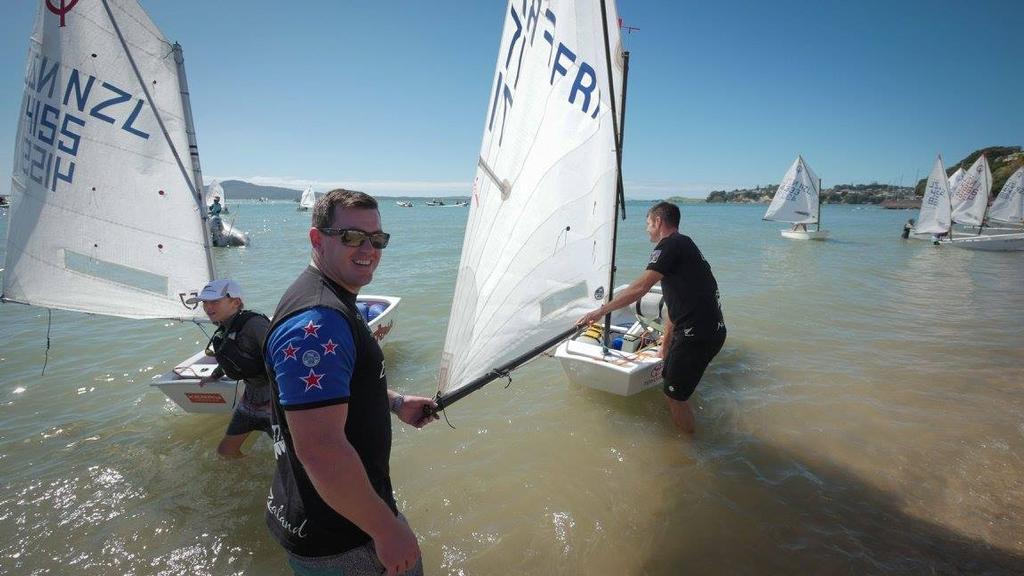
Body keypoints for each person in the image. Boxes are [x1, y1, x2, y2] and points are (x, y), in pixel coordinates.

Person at [263, 188, 438, 576]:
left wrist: (393, 402)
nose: (368, 248)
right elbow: (321, 449)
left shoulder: (328, 298)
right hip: (343, 537)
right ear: (317, 239)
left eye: (377, 239)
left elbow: (332, 390)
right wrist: (386, 530)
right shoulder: (318, 322)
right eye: (352, 237)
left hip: (325, 514)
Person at [577, 201, 726, 434]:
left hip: (697, 336)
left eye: (648, 223)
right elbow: (674, 306)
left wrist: (599, 311)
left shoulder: (668, 245)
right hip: (711, 331)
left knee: (674, 397)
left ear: (658, 222)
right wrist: (665, 346)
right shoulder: (685, 245)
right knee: (675, 387)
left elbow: (640, 289)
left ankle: (688, 450)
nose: (647, 229)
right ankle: (683, 419)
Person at [193, 279, 272, 457]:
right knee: (226, 451)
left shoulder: (254, 325)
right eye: (205, 302)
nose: (207, 307)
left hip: (274, 401)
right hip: (250, 399)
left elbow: (282, 357)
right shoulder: (224, 327)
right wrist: (215, 375)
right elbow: (230, 355)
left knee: (293, 456)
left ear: (235, 302)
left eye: (214, 301)